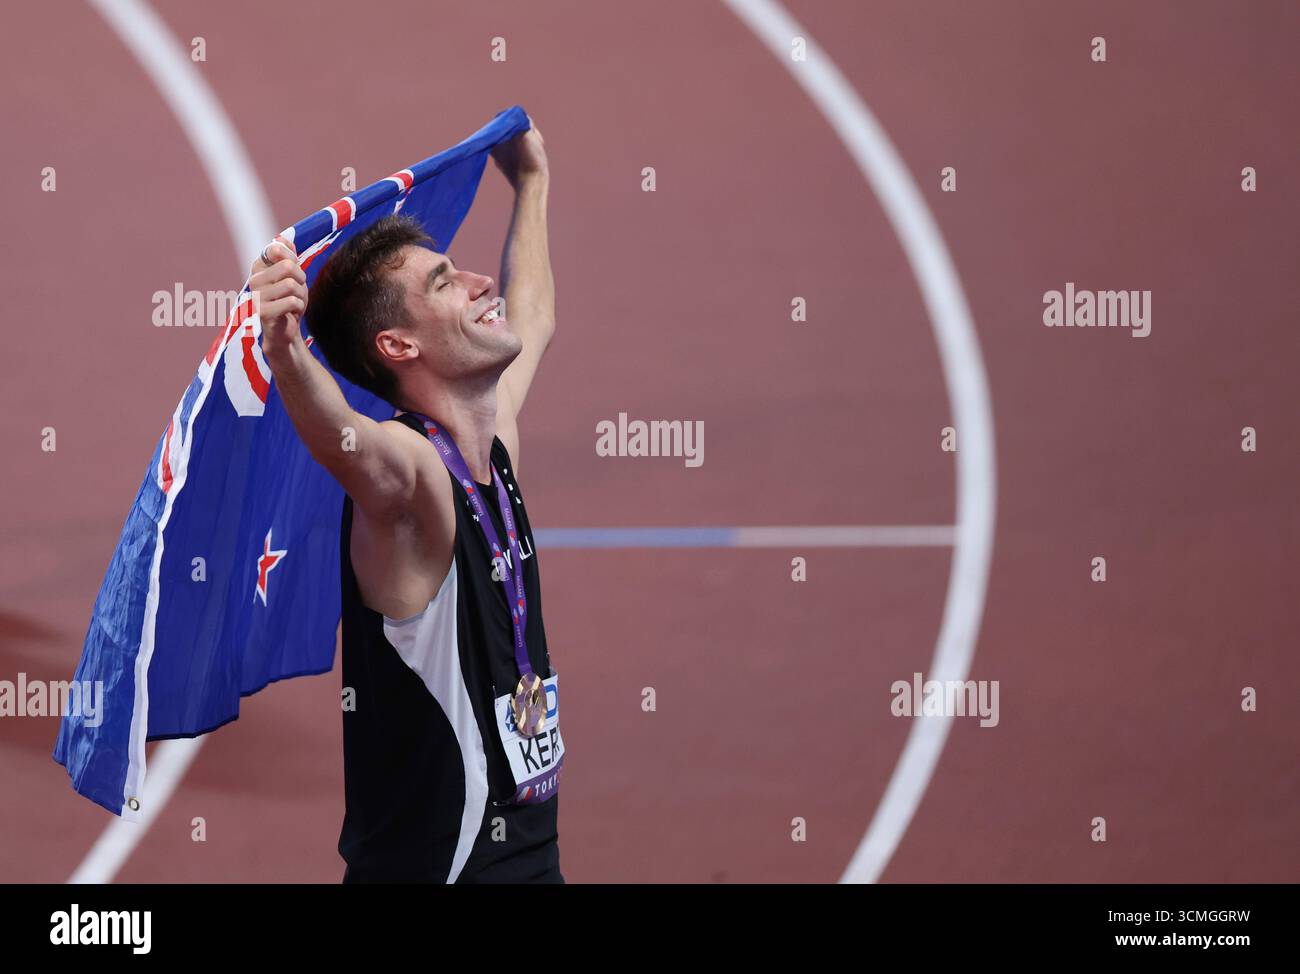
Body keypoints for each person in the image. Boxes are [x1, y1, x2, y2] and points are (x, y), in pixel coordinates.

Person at [252, 122, 563, 883]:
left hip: (525, 860)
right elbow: (344, 440)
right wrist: (286, 348)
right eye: (444, 282)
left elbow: (534, 317)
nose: (477, 286)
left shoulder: (492, 448)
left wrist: (532, 184)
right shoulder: (414, 483)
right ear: (398, 346)